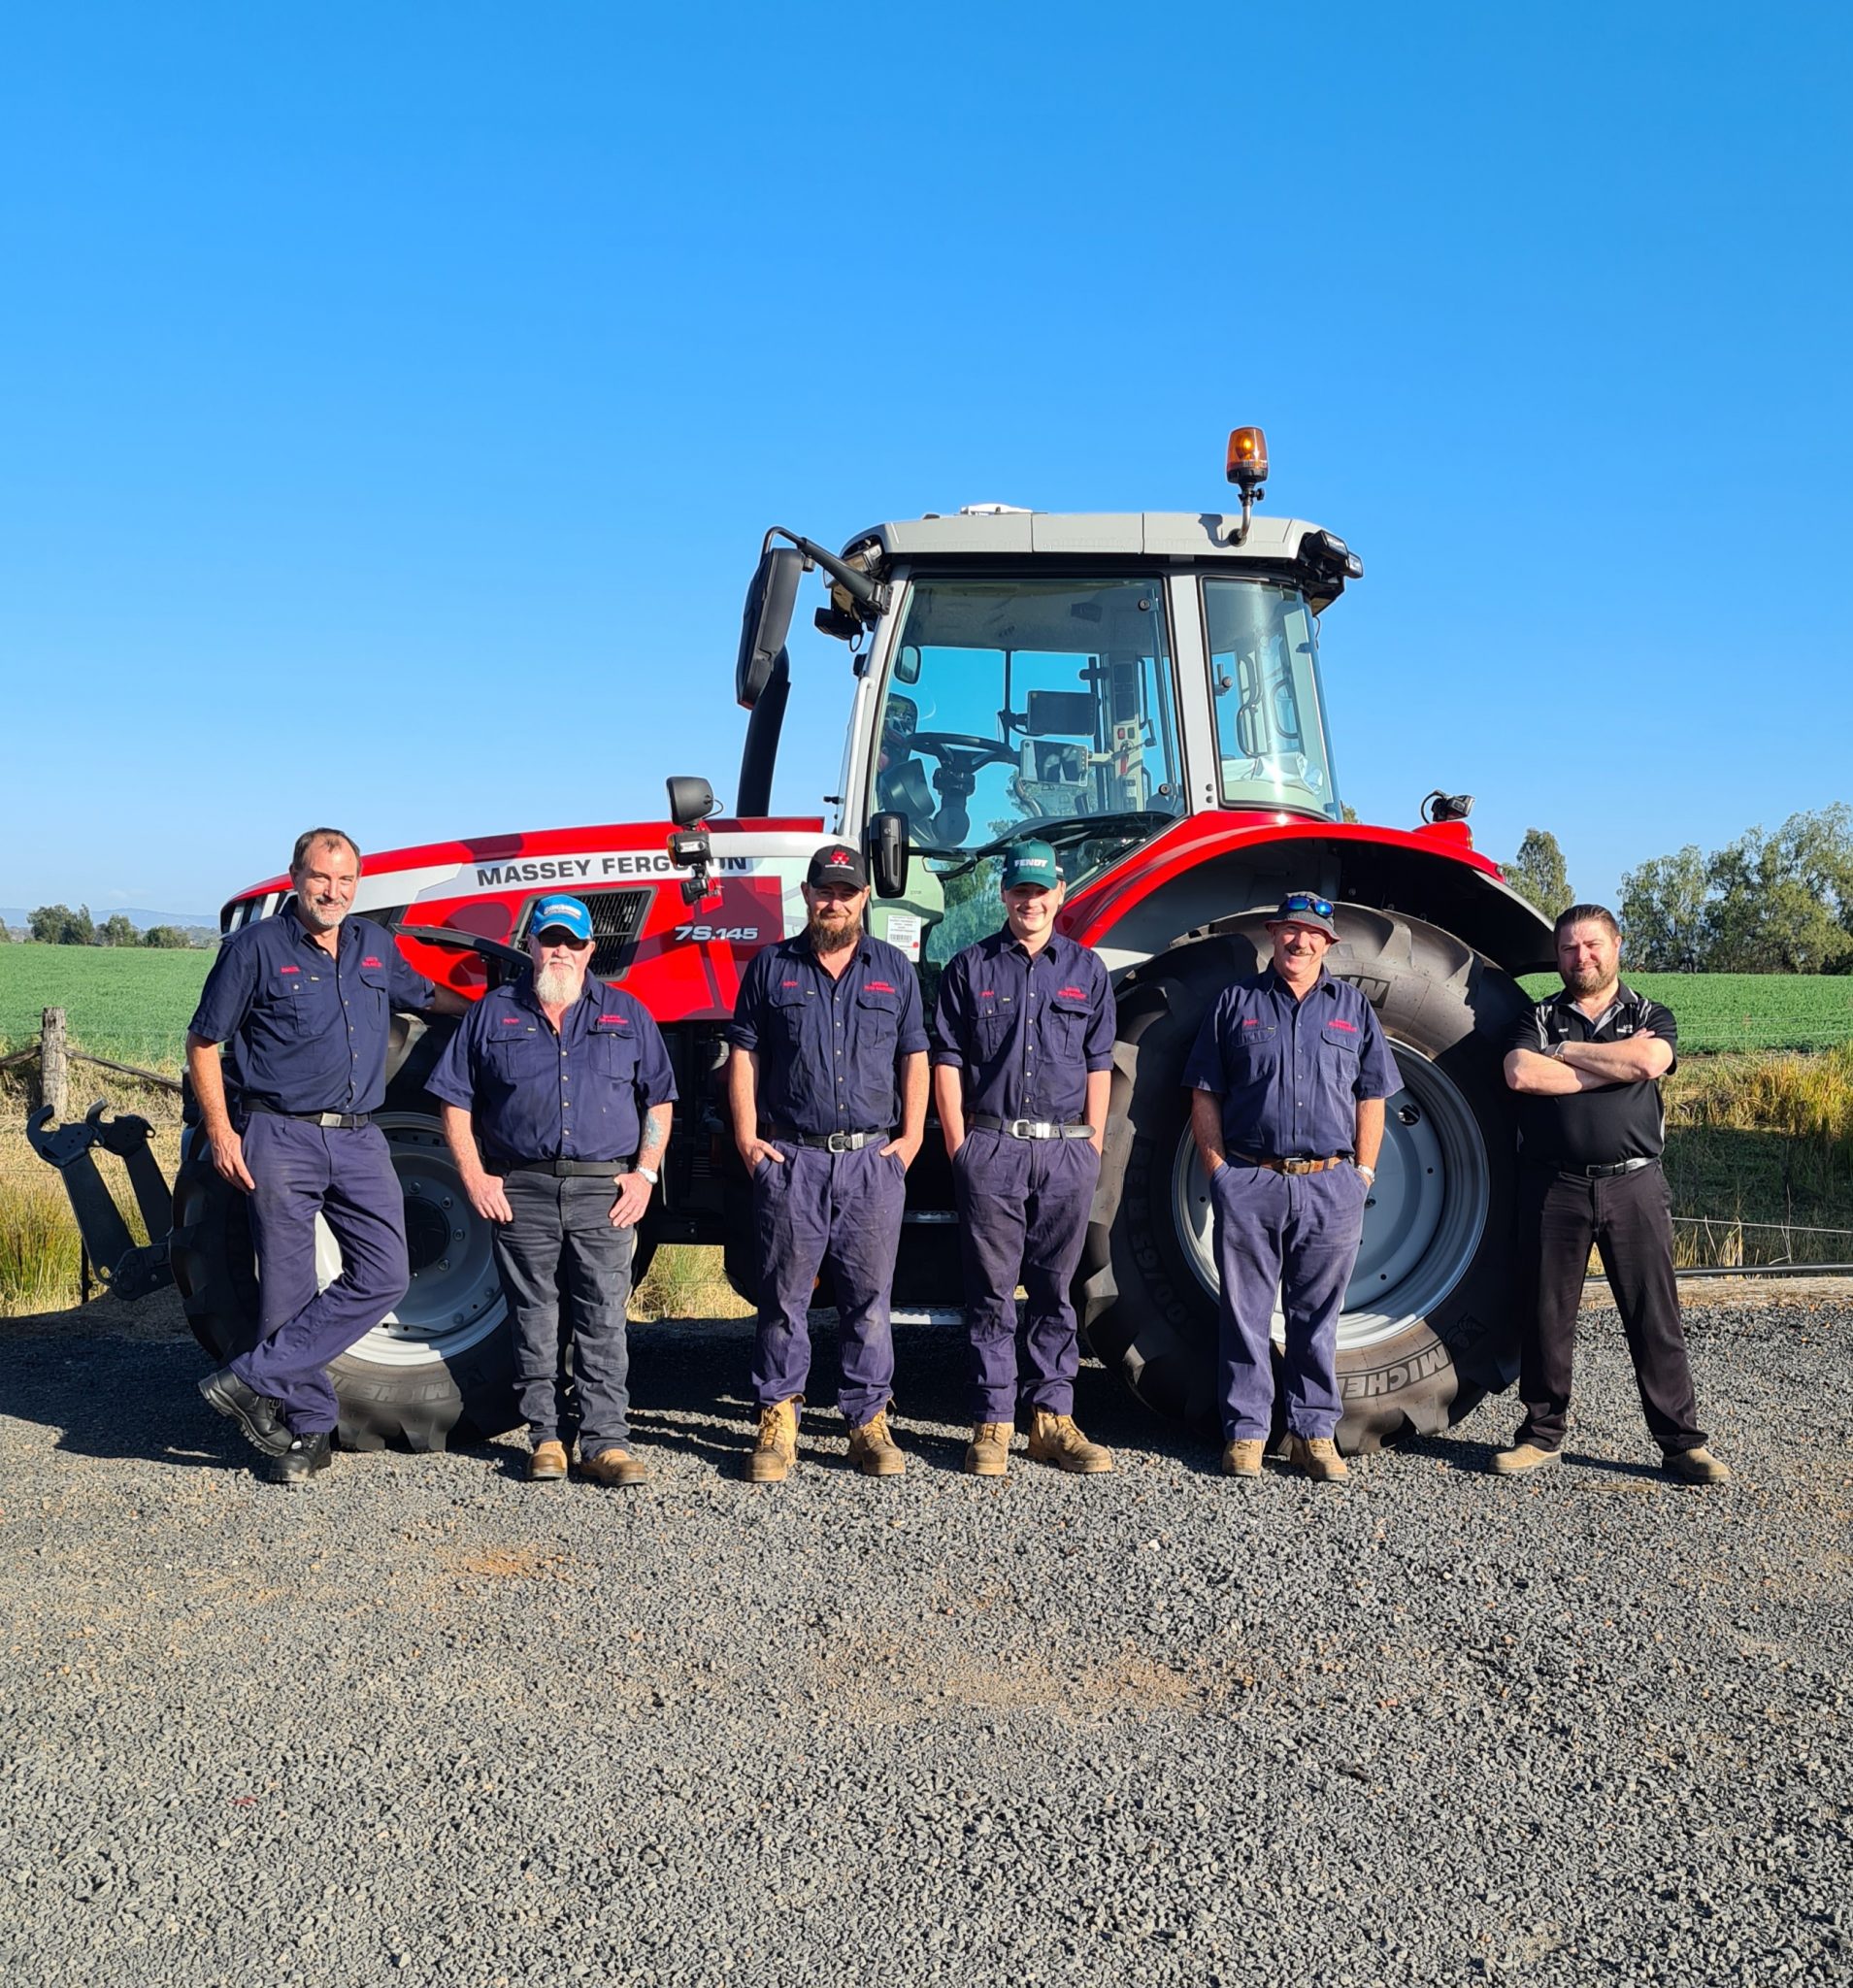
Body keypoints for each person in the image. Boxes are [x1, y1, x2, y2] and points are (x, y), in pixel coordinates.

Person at [190, 828, 464, 1484]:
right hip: (279, 1136)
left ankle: (251, 1378)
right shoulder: (253, 950)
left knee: (385, 1275)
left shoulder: (374, 944)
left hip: (360, 1136)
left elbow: (427, 997)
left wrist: (490, 1012)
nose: (333, 892)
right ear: (295, 876)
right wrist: (224, 1134)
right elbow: (203, 1043)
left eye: (345, 881)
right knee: (286, 1293)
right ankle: (307, 1433)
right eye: (321, 878)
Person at [428, 894, 676, 1486]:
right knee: (534, 1316)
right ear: (530, 946)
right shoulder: (491, 1014)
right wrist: (474, 1176)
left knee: (602, 1317)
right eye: (548, 939)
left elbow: (659, 1100)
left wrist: (644, 1174)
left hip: (605, 1192)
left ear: (591, 949)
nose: (559, 951)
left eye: (571, 941)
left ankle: (606, 1442)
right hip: (524, 1190)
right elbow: (454, 1101)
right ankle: (545, 1438)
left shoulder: (628, 1014)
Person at [1498, 904, 1729, 1484]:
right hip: (1555, 1185)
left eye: (1593, 945)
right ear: (1559, 956)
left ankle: (1681, 1444)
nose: (1583, 957)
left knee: (1655, 1316)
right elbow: (1522, 1075)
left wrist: (1567, 1052)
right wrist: (1616, 1064)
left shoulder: (1650, 1013)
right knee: (1547, 1315)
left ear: (1616, 946)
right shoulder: (1537, 1016)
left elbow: (1652, 1060)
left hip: (1634, 1185)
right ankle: (1541, 1435)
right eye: (1571, 948)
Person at [728, 843, 929, 1481]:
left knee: (868, 1300)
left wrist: (912, 1137)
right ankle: (778, 1418)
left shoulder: (893, 969)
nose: (833, 902)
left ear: (864, 898)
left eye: (846, 891)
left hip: (871, 1159)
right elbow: (743, 1054)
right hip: (793, 1158)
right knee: (783, 1297)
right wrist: (744, 1137)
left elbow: (914, 1056)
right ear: (807, 894)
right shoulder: (771, 967)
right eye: (823, 890)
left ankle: (866, 1421)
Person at [1184, 891, 1396, 1482]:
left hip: (1331, 1184)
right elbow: (1205, 1093)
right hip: (1253, 1179)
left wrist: (1363, 1174)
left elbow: (1372, 1096)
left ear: (1327, 942)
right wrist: (1219, 1172)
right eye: (1288, 931)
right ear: (1273, 936)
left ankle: (1313, 1433)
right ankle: (1247, 1433)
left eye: (1310, 933)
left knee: (1318, 1315)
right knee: (1246, 1313)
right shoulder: (1236, 1003)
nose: (1298, 942)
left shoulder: (1352, 1009)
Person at [931, 842, 1115, 1476]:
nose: (1029, 901)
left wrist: (1090, 1143)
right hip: (993, 1147)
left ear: (1058, 894)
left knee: (1054, 1291)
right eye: (1018, 891)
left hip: (1065, 1151)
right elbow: (947, 1061)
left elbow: (1099, 1065)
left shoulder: (1086, 971)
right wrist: (959, 1144)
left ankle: (1051, 1420)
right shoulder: (969, 967)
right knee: (989, 1293)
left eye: (1040, 891)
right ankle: (992, 1422)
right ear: (1004, 895)